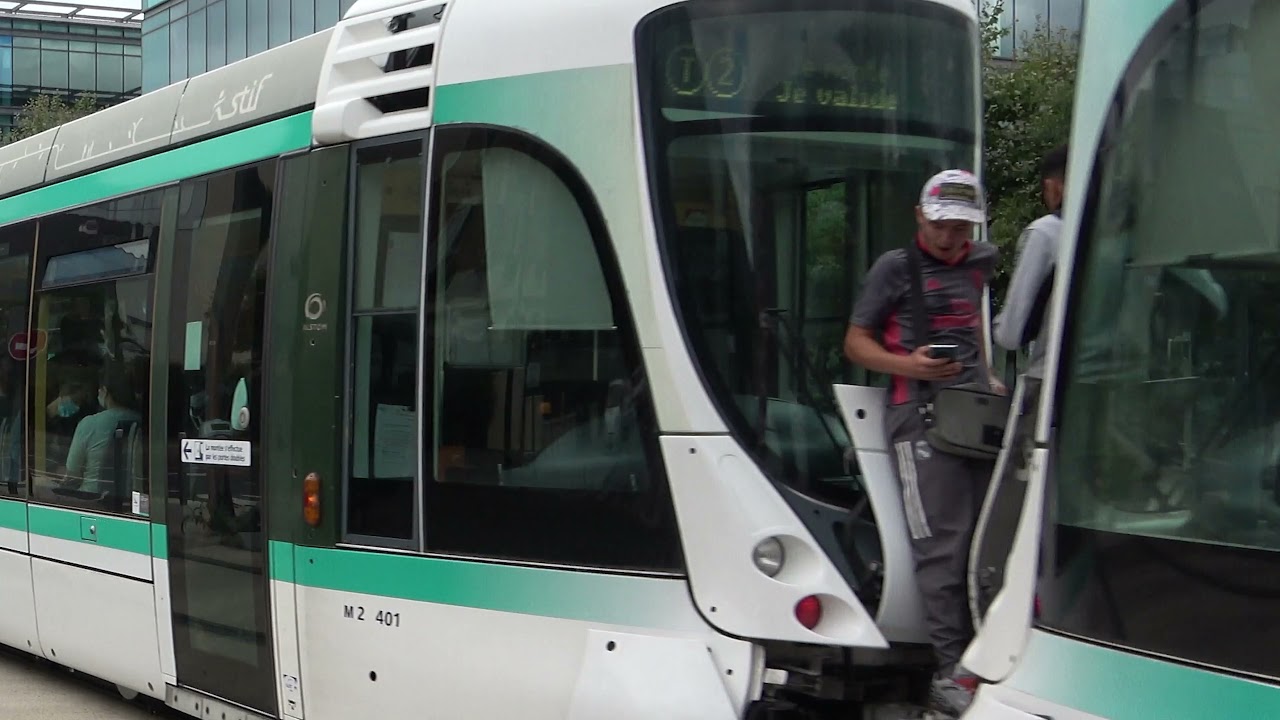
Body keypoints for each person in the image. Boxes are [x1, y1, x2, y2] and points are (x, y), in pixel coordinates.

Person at [844, 169, 1002, 718]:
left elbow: (978, 322)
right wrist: (908, 365)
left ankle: (989, 658)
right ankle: (951, 670)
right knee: (943, 544)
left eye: (960, 225)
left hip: (977, 410)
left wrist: (989, 371)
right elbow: (856, 342)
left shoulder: (983, 262)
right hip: (919, 413)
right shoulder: (895, 267)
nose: (949, 235)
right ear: (920, 216)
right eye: (941, 223)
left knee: (990, 538)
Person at [993, 144, 1067, 379]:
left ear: (1053, 187)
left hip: (1053, 381)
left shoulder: (1046, 233)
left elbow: (1012, 333)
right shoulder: (1124, 235)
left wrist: (996, 325)